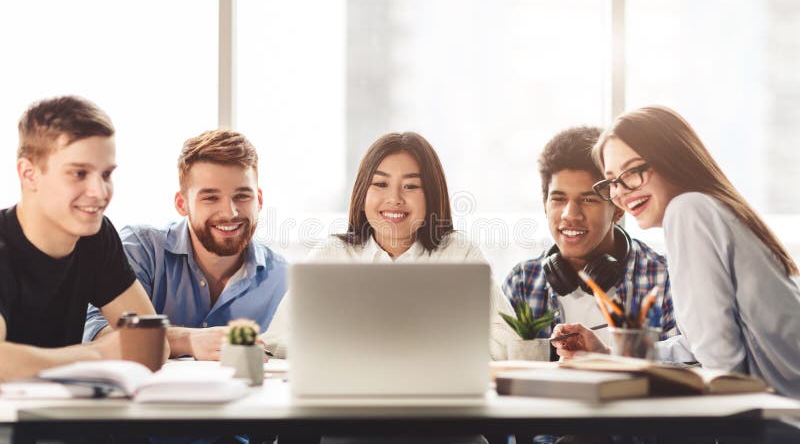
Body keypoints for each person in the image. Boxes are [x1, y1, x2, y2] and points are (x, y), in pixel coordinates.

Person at [552, 105, 800, 398]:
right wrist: (608, 354)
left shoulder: (688, 210)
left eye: (631, 172)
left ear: (671, 160)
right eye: (612, 181)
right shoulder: (707, 208)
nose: (620, 192)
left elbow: (721, 366)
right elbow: (700, 344)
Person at [263, 131, 516, 360]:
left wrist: (429, 350)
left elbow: (508, 342)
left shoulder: (460, 253)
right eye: (381, 184)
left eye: (410, 186)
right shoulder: (332, 254)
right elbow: (276, 341)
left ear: (431, 195)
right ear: (363, 193)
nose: (394, 199)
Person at [84, 129, 288, 361]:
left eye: (242, 196)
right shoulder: (143, 250)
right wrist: (187, 341)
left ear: (259, 200)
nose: (230, 212)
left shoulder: (283, 277)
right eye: (211, 198)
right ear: (182, 203)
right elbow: (98, 333)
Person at [0, 96, 163, 381]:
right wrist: (98, 353)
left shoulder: (96, 235)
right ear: (29, 174)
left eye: (106, 174)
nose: (100, 192)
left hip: (63, 415)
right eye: (79, 173)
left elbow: (152, 344)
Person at [503, 126, 676, 352]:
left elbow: (692, 370)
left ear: (618, 208)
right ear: (545, 204)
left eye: (588, 200)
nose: (570, 215)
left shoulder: (663, 278)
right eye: (558, 199)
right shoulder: (522, 283)